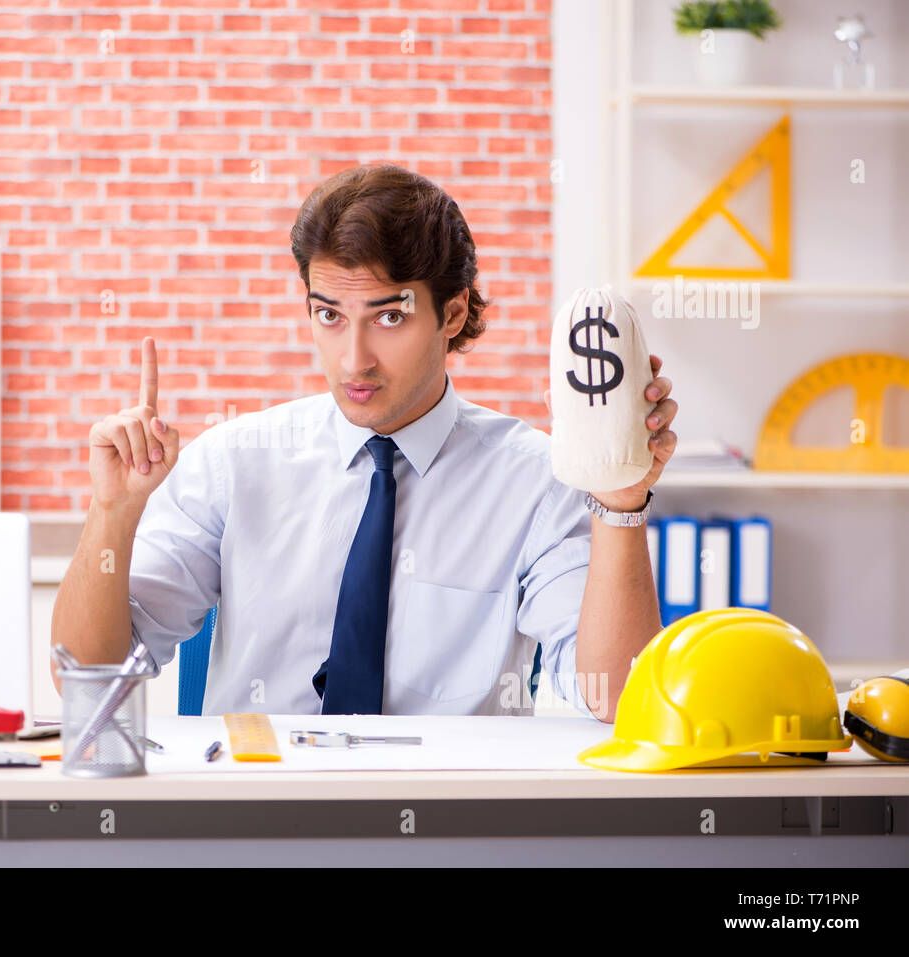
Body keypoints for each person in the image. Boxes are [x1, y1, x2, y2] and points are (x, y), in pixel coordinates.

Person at [51, 164, 677, 721]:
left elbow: (616, 698)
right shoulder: (231, 464)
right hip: (259, 802)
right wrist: (112, 513)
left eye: (389, 317)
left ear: (453, 314)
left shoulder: (537, 480)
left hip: (446, 809)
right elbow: (90, 683)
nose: (354, 360)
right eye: (330, 315)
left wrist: (621, 503)